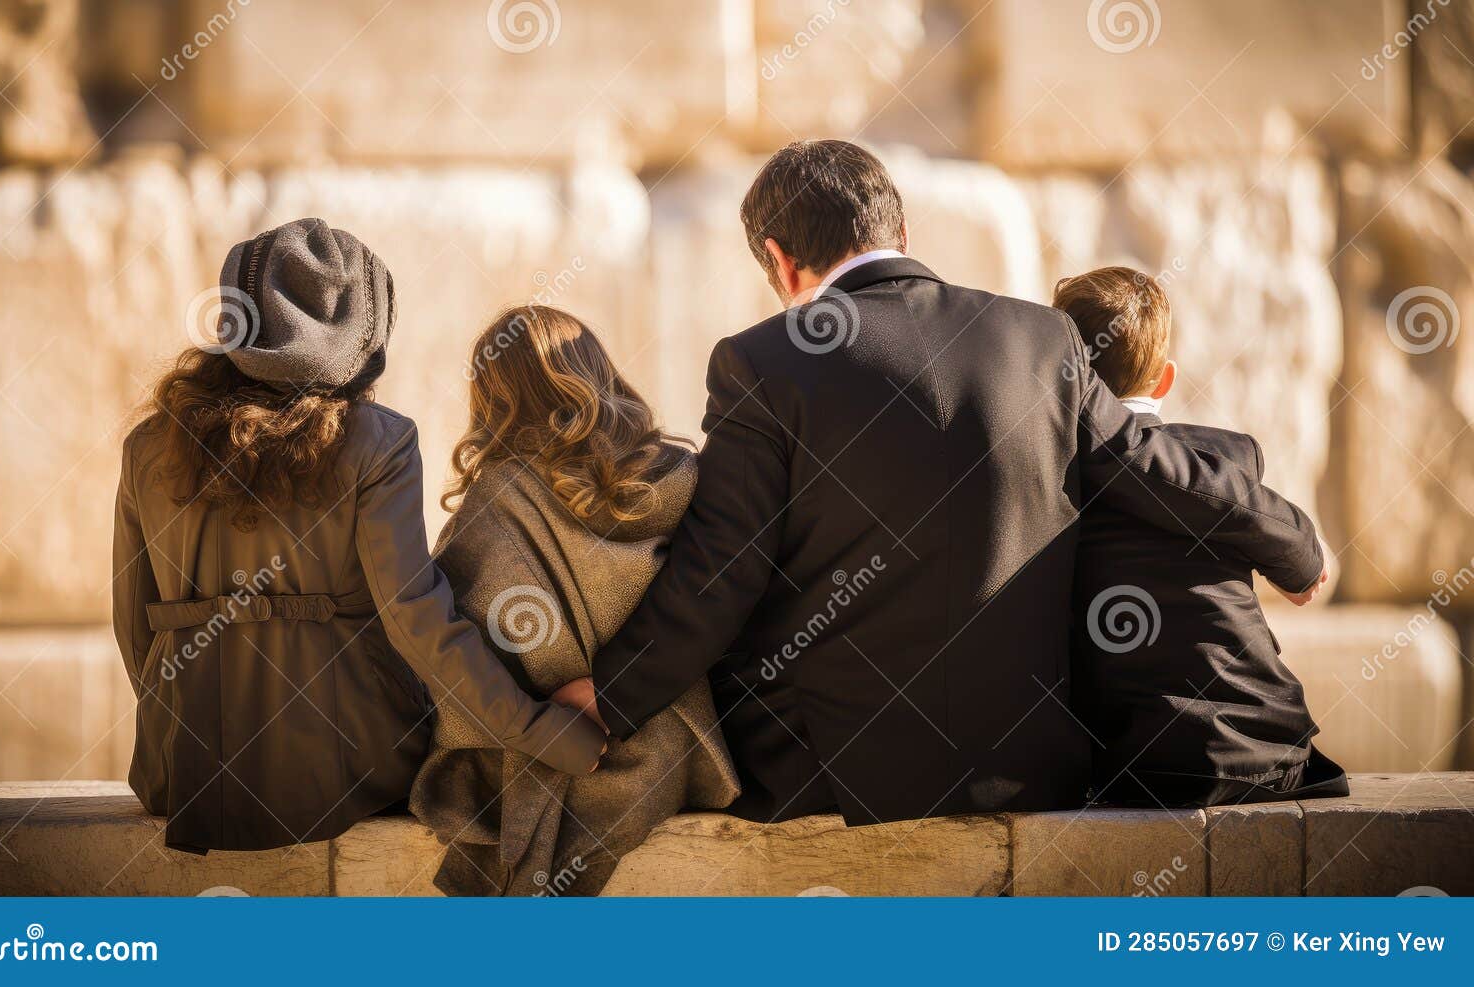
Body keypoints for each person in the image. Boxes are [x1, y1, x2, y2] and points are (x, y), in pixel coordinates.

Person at [553, 140, 1328, 825]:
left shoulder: (760, 362)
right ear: (901, 234)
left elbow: (721, 571)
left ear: (780, 259)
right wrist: (1295, 546)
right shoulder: (1039, 336)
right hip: (1031, 761)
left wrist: (610, 698)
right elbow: (1157, 468)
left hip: (830, 771)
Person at [112, 219, 604, 854]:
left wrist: (183, 738)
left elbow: (135, 626)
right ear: (363, 334)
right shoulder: (379, 442)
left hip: (181, 774)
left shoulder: (147, 446)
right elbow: (416, 620)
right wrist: (539, 730)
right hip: (342, 771)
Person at [410, 305, 738, 896]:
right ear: (598, 374)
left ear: (493, 400)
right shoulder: (681, 479)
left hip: (535, 752)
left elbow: (456, 655)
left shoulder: (493, 503)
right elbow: (712, 605)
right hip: (664, 754)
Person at [1055, 267, 1348, 807]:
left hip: (1121, 765)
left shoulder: (1050, 474)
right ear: (1164, 380)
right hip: (1263, 750)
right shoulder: (1228, 456)